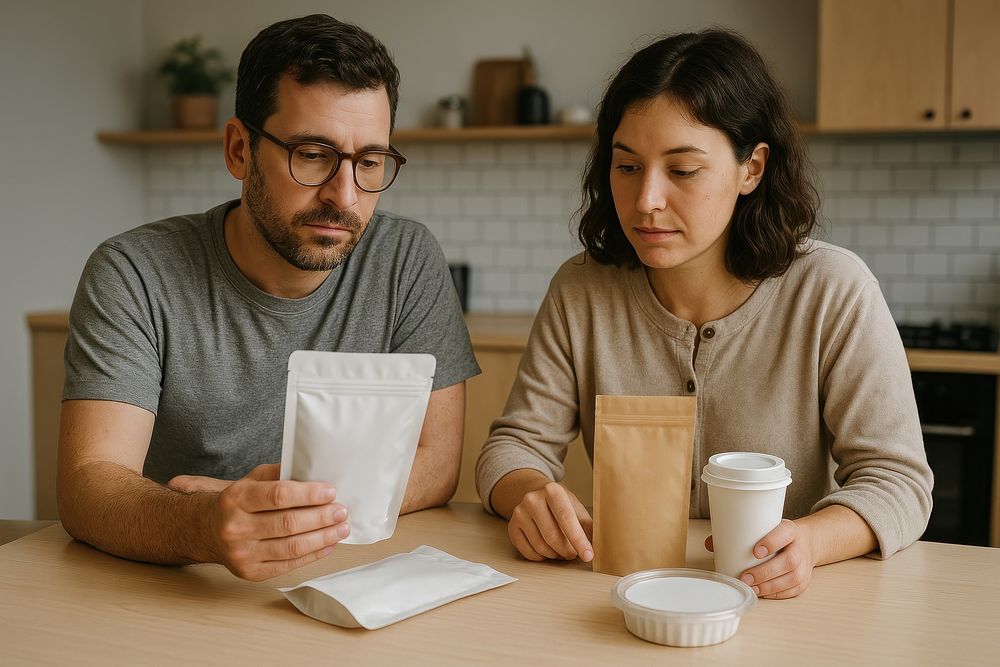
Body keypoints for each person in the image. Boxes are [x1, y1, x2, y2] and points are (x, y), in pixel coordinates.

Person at [476, 29, 932, 599]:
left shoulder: (832, 290)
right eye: (626, 167)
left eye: (683, 171)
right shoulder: (582, 290)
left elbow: (899, 482)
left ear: (752, 169)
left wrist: (812, 542)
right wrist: (528, 496)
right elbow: (512, 449)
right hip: (620, 597)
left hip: (783, 608)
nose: (646, 201)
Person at [57, 14, 479, 581]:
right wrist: (204, 525)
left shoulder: (405, 259)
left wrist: (265, 512)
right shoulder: (134, 272)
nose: (345, 196)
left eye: (370, 162)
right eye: (312, 154)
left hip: (345, 576)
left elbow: (437, 463)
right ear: (239, 149)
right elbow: (90, 484)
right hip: (177, 585)